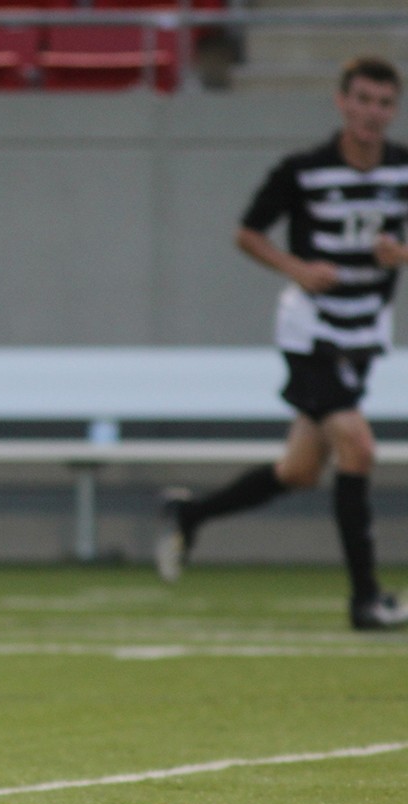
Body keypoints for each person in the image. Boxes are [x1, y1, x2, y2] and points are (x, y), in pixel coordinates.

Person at [156, 56, 408, 631]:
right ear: (341, 102)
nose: (372, 113)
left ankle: (189, 514)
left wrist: (402, 255)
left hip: (364, 332)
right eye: (363, 99)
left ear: (394, 110)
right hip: (311, 331)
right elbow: (247, 233)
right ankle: (365, 600)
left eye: (384, 103)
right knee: (359, 448)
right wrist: (297, 267)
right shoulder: (305, 170)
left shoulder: (402, 171)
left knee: (298, 470)